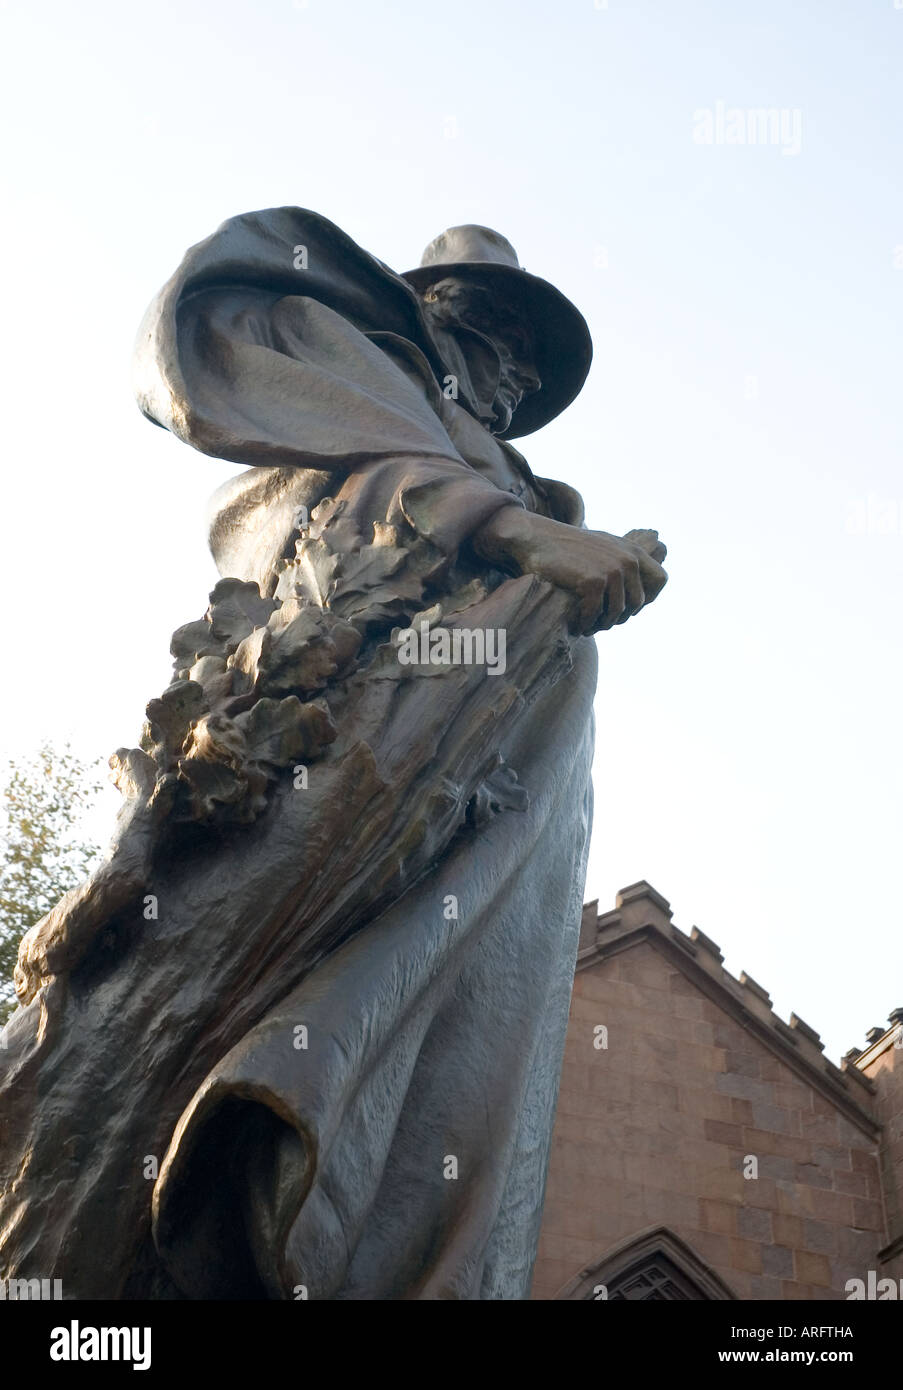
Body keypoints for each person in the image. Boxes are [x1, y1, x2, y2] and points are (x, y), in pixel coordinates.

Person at [1, 209, 667, 1300]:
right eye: (501, 330)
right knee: (166, 1020)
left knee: (445, 1042)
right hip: (339, 741)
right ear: (440, 314)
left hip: (491, 793)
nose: (516, 369)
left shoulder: (508, 473)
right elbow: (350, 488)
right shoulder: (358, 373)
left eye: (532, 360)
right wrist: (521, 533)